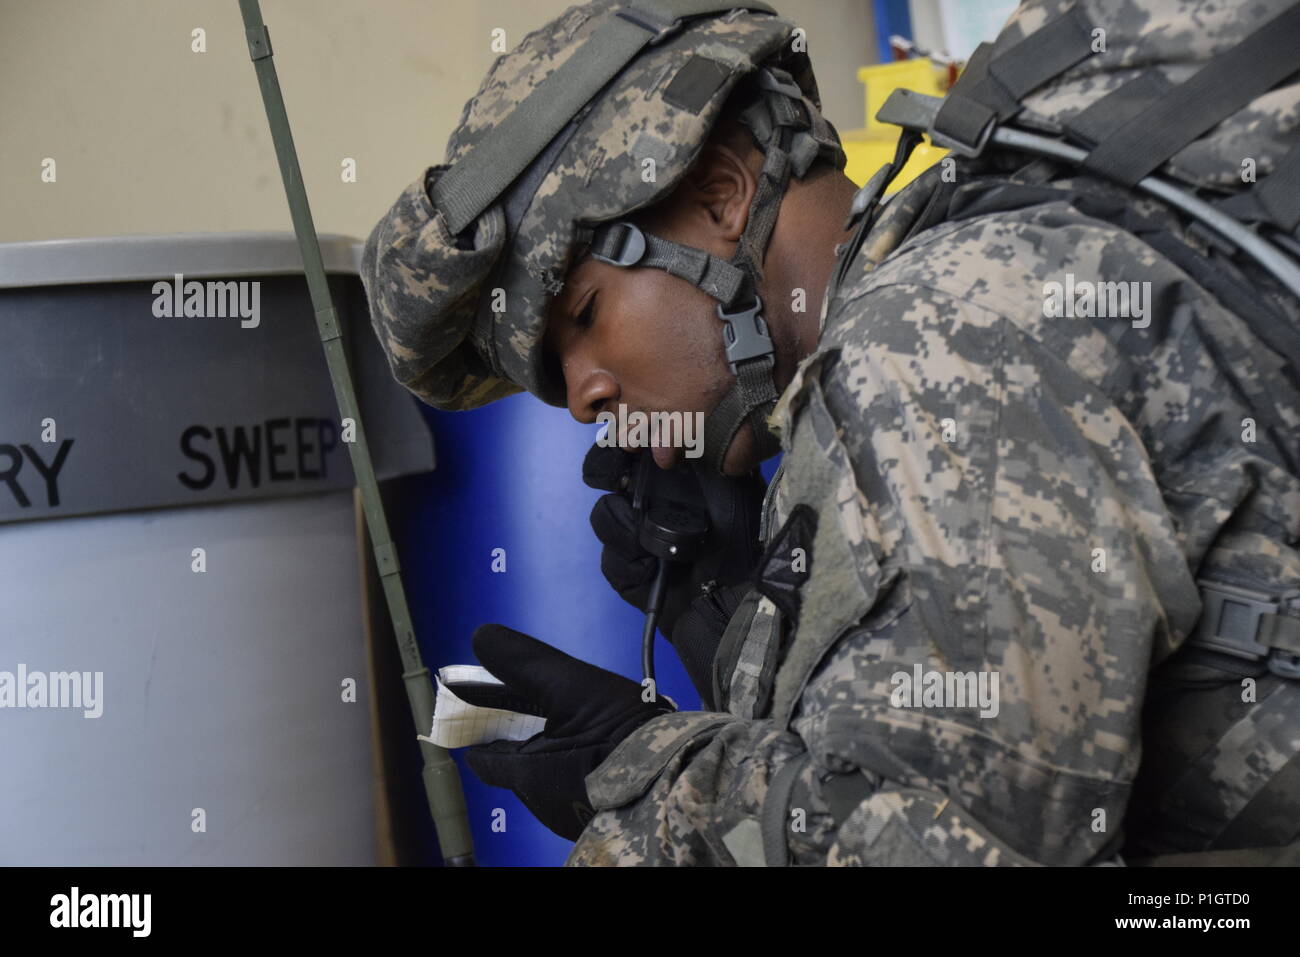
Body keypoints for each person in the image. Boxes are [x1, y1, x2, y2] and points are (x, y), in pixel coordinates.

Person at [360, 0, 1300, 865]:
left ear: (723, 198)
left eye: (586, 317)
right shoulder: (975, 281)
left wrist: (645, 773)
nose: (582, 398)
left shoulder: (931, 338)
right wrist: (755, 646)